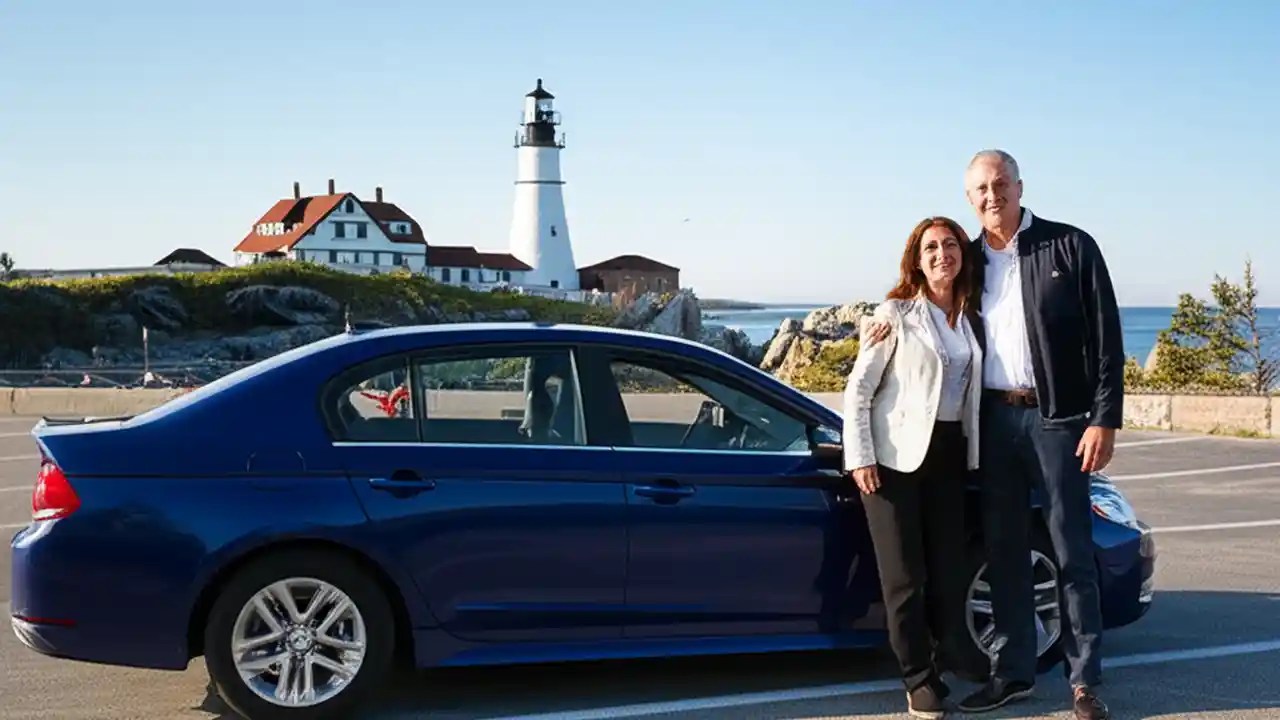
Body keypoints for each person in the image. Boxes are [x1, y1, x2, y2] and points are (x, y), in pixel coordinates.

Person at [865, 151, 1123, 720]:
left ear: (1020, 187)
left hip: (1058, 420)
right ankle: (1013, 674)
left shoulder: (1070, 246)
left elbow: (1107, 336)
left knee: (1072, 551)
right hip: (991, 424)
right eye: (980, 189)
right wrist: (886, 315)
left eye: (1000, 184)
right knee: (1004, 551)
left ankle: (1084, 682)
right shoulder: (970, 261)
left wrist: (1104, 418)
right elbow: (928, 306)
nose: (992, 195)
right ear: (970, 199)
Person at [842, 216, 984, 719]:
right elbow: (859, 389)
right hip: (894, 458)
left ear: (963, 253)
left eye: (951, 245)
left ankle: (945, 659)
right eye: (931, 248)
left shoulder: (972, 316)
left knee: (947, 570)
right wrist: (860, 455)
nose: (942, 254)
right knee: (903, 578)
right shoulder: (895, 314)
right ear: (917, 261)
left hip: (949, 455)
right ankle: (917, 679)